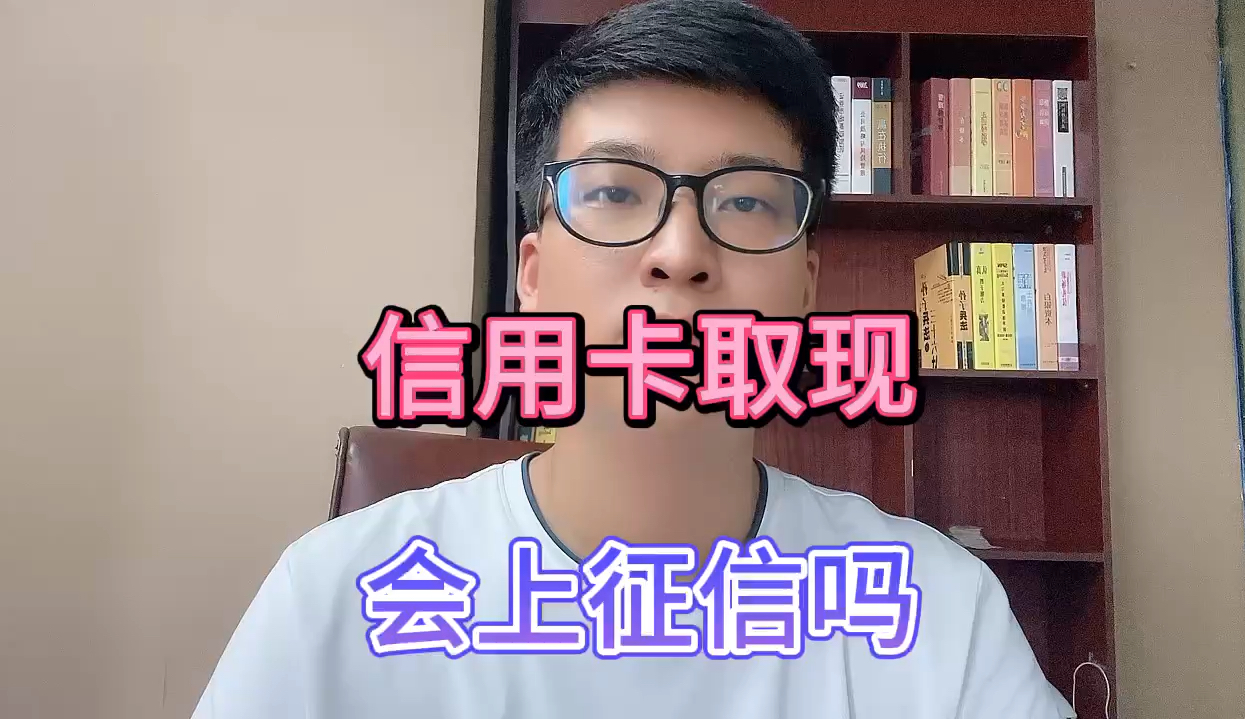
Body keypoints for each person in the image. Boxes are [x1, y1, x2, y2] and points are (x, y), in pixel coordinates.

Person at [192, 1, 1076, 717]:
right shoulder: (341, 591)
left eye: (746, 201)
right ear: (532, 274)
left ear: (805, 284)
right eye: (615, 191)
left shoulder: (931, 609)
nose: (680, 252)